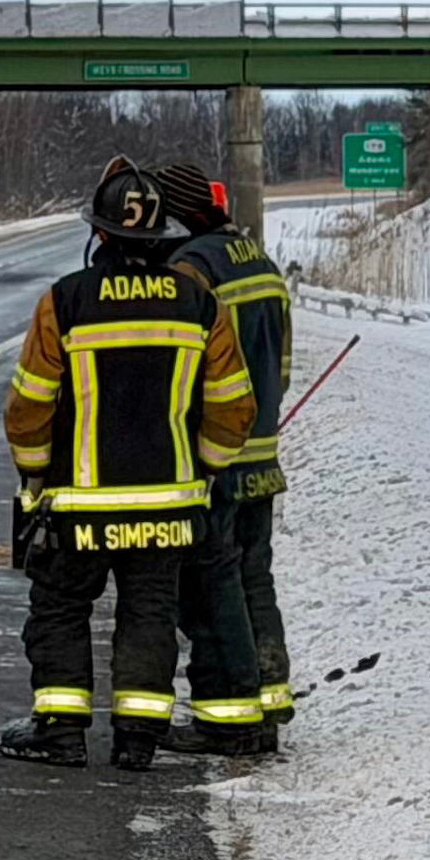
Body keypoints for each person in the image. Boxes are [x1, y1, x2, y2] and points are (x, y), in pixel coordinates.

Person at [0, 160, 259, 772]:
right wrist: (207, 469)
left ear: (103, 233)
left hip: (79, 504)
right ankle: (138, 738)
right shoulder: (199, 302)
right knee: (150, 613)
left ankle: (60, 731)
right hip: (167, 505)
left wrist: (34, 477)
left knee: (60, 606)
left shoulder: (65, 300)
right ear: (159, 234)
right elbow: (233, 406)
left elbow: (30, 404)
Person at [161, 156, 297, 750]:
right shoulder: (259, 261)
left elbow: (184, 369)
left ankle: (231, 717)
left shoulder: (193, 271)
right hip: (261, 452)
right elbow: (284, 365)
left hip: (214, 455)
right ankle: (270, 696)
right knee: (252, 575)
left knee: (209, 586)